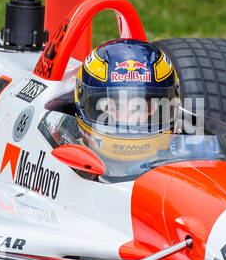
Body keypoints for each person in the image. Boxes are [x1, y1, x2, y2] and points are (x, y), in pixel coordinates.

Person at [73, 38, 181, 172]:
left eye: (139, 108)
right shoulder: (62, 142)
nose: (128, 118)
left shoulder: (191, 149)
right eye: (115, 108)